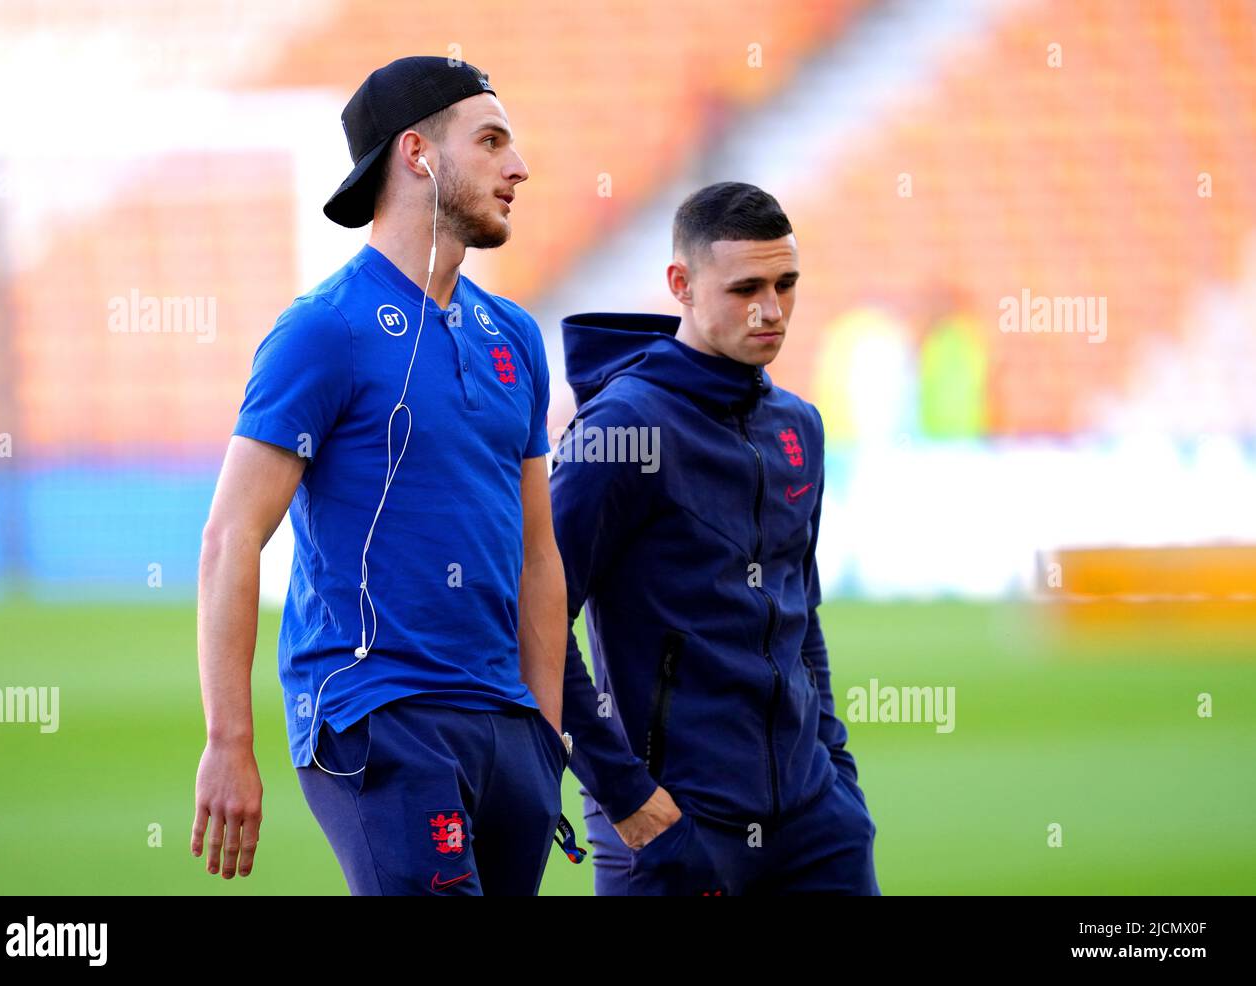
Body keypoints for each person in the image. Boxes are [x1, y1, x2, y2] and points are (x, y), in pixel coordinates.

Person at [191, 56, 574, 895]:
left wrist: (545, 734)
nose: (520, 167)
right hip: (378, 713)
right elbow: (232, 536)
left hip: (506, 727)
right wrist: (229, 742)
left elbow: (539, 555)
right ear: (418, 153)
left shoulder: (514, 336)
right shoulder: (323, 332)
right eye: (492, 141)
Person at [550, 181, 879, 895]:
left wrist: (836, 769)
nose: (771, 309)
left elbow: (801, 614)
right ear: (682, 285)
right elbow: (534, 616)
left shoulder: (800, 427)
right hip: (675, 829)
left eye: (787, 283)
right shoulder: (621, 431)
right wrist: (628, 798)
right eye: (745, 288)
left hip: (817, 824)